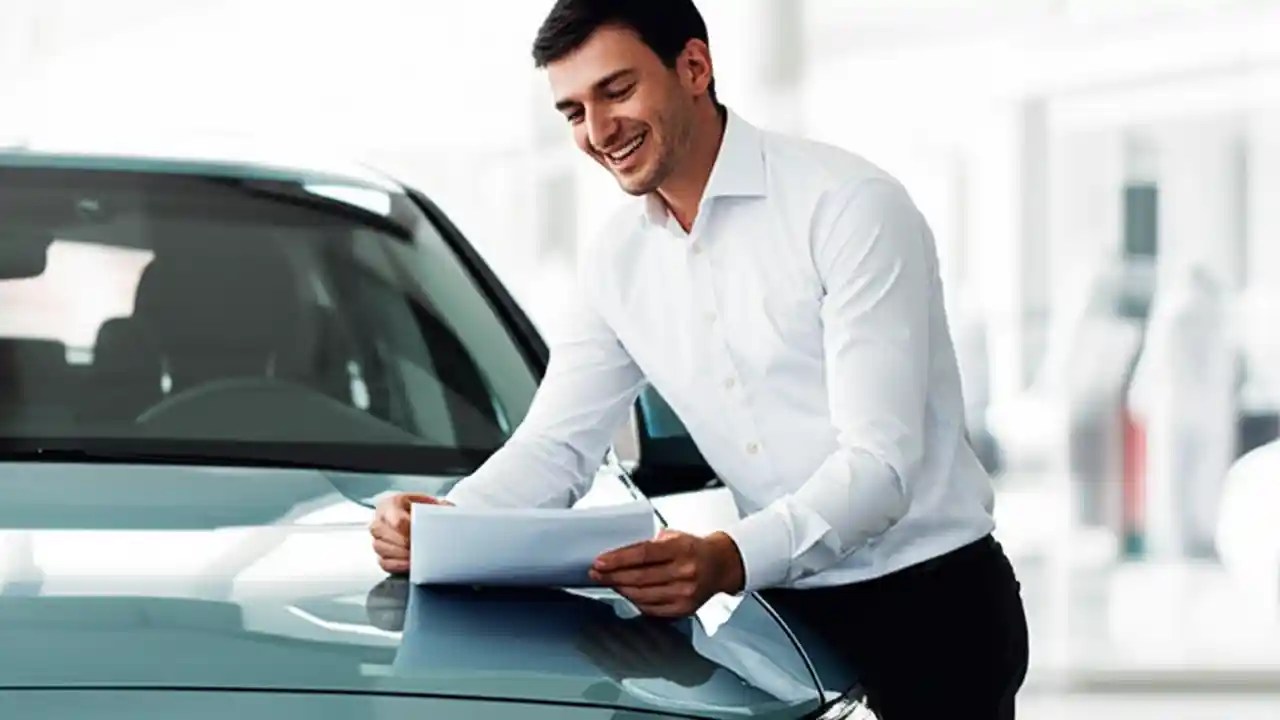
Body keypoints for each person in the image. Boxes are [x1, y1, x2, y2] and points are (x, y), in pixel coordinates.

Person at [369, 1, 1028, 717]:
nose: (598, 132)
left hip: (933, 613)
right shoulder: (617, 260)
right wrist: (446, 524)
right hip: (781, 617)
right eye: (574, 112)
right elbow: (556, 448)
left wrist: (725, 557)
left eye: (617, 91)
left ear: (693, 67)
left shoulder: (848, 207)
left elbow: (880, 467)